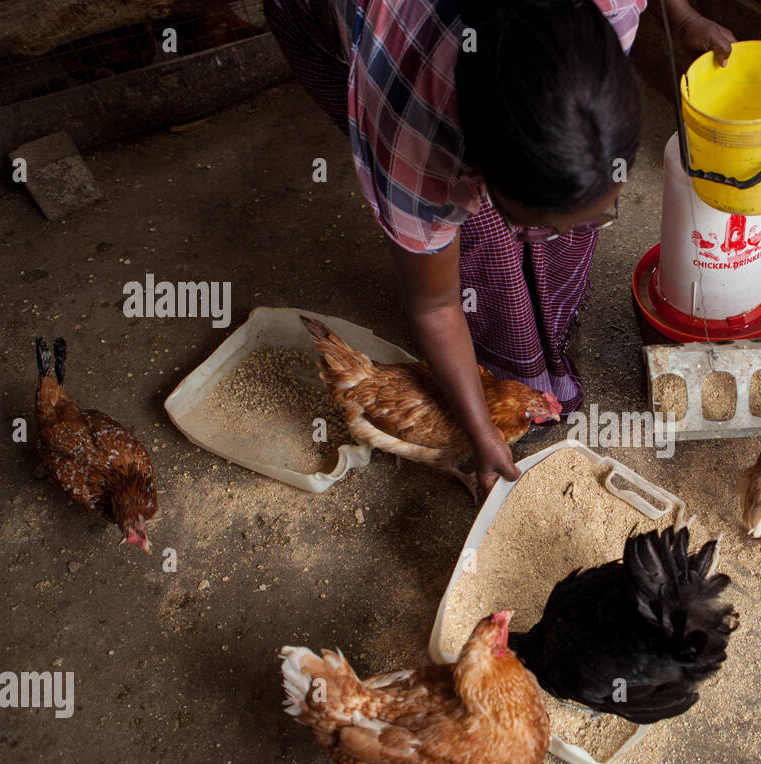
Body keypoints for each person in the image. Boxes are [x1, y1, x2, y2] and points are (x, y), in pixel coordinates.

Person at [263, 0, 734, 494]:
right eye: (528, 219)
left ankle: (543, 322)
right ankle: (512, 334)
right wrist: (482, 432)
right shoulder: (412, 148)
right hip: (325, 15)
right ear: (479, 173)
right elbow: (436, 304)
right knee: (483, 245)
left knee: (557, 227)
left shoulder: (613, 13)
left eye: (606, 205)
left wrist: (679, 17)